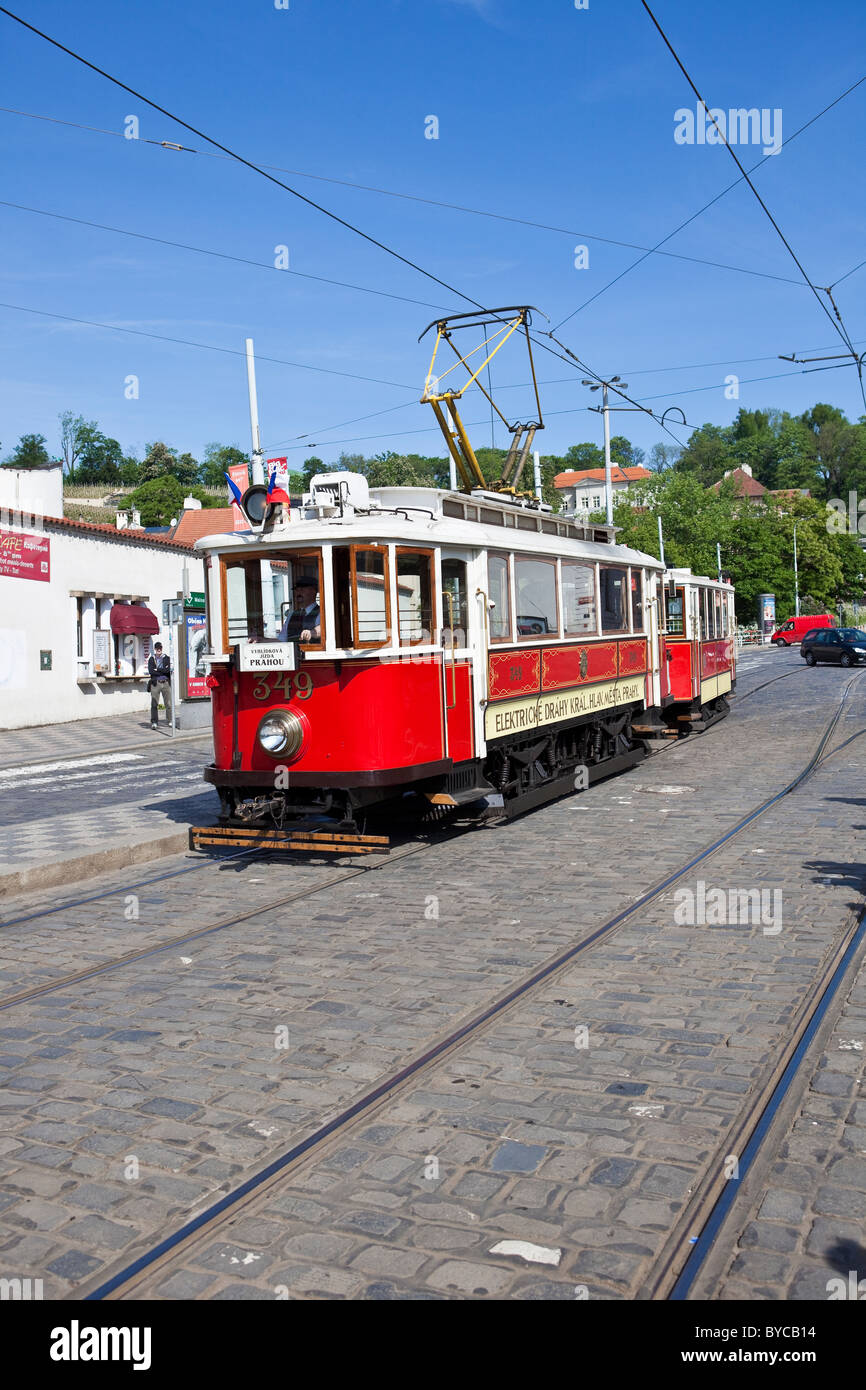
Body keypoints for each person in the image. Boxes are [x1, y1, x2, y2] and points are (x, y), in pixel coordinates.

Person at [279, 578, 320, 642]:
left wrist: (311, 633)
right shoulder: (291, 615)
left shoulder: (322, 613)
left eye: (302, 589)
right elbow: (281, 640)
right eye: (297, 590)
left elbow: (324, 629)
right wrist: (262, 640)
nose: (299, 593)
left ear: (313, 591)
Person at [147, 642, 172, 728]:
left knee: (168, 703)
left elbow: (168, 670)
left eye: (160, 648)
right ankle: (154, 722)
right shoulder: (151, 659)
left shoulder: (167, 658)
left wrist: (157, 669)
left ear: (162, 648)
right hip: (155, 683)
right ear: (155, 649)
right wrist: (161, 670)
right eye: (157, 648)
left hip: (166, 683)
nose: (159, 649)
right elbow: (151, 671)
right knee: (154, 704)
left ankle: (170, 720)